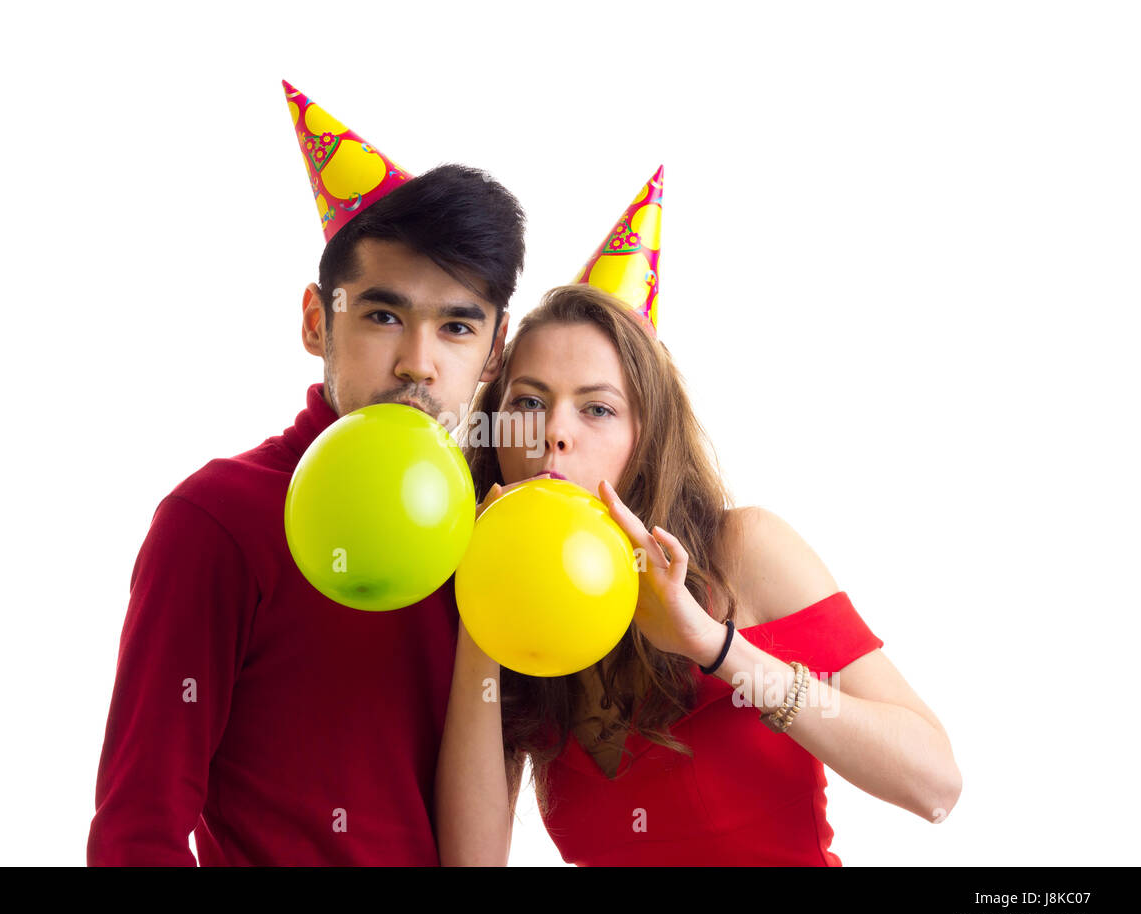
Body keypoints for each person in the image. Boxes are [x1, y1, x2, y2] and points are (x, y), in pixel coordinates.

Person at [435, 169, 961, 865]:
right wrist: (483, 613)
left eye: (596, 408)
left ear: (645, 436)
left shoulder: (744, 550)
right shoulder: (498, 612)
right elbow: (469, 862)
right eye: (528, 404)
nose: (554, 434)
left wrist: (712, 644)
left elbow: (935, 786)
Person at [87, 81, 525, 865]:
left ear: (493, 352)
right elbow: (138, 828)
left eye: (457, 327)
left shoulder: (499, 536)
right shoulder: (219, 519)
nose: (417, 364)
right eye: (383, 315)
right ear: (318, 321)